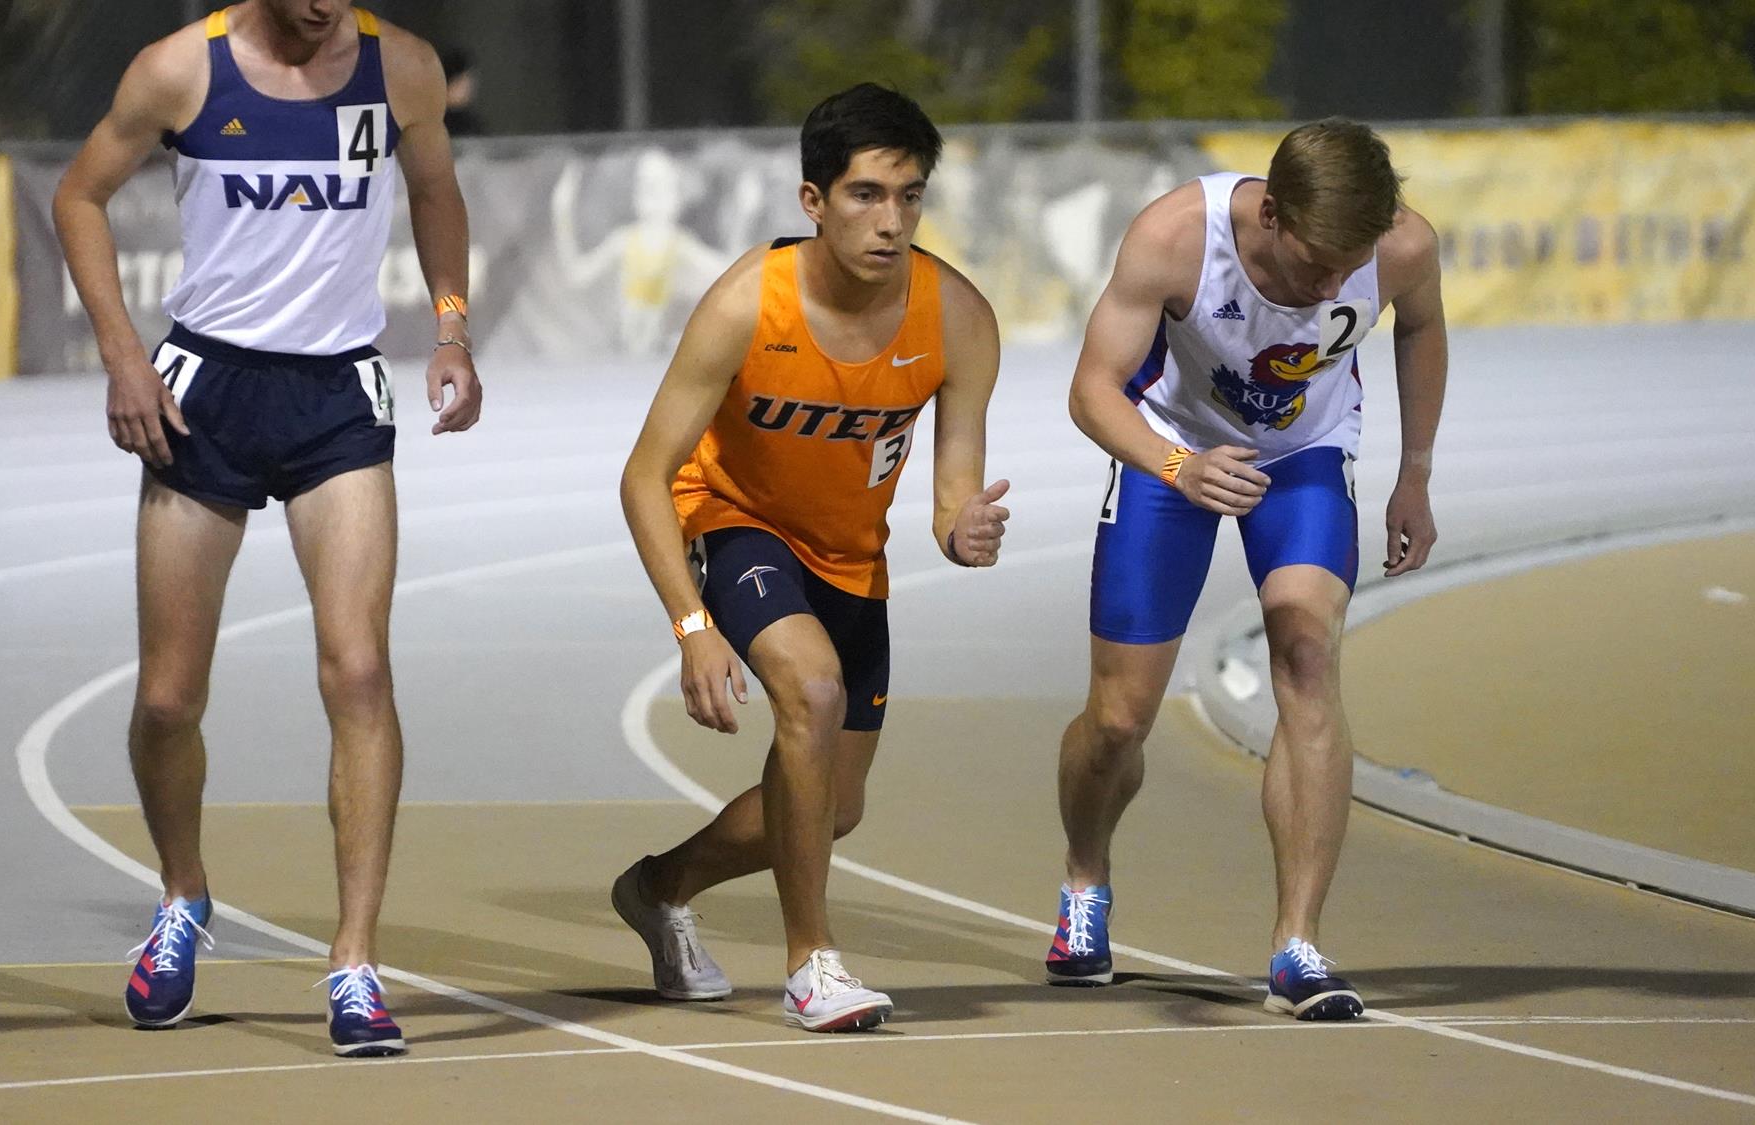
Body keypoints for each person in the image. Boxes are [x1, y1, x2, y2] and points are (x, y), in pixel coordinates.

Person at [52, 0, 482, 1057]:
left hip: (338, 398)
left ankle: (354, 961)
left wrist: (452, 328)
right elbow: (78, 195)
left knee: (360, 672)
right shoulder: (180, 69)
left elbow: (435, 189)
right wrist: (122, 356)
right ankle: (183, 895)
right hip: (204, 392)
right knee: (167, 698)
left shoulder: (402, 68)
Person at [612, 83, 1007, 1033]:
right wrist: (692, 627)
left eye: (909, 197)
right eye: (866, 195)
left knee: (833, 807)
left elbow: (952, 492)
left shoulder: (957, 317)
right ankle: (812, 964)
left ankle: (660, 886)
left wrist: (962, 531)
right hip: (736, 521)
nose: (891, 221)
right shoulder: (747, 302)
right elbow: (643, 475)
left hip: (850, 559)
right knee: (813, 689)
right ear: (814, 201)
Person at [1045, 119, 1446, 1021]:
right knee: (1118, 720)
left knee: (1306, 654)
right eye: (1316, 265)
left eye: (1349, 269)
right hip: (1173, 451)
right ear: (1271, 214)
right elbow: (1092, 389)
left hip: (1303, 457)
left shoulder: (1403, 246)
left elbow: (1421, 325)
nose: (1331, 289)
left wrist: (1414, 473)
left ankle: (1297, 944)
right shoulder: (1176, 236)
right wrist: (1177, 466)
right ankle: (1084, 874)